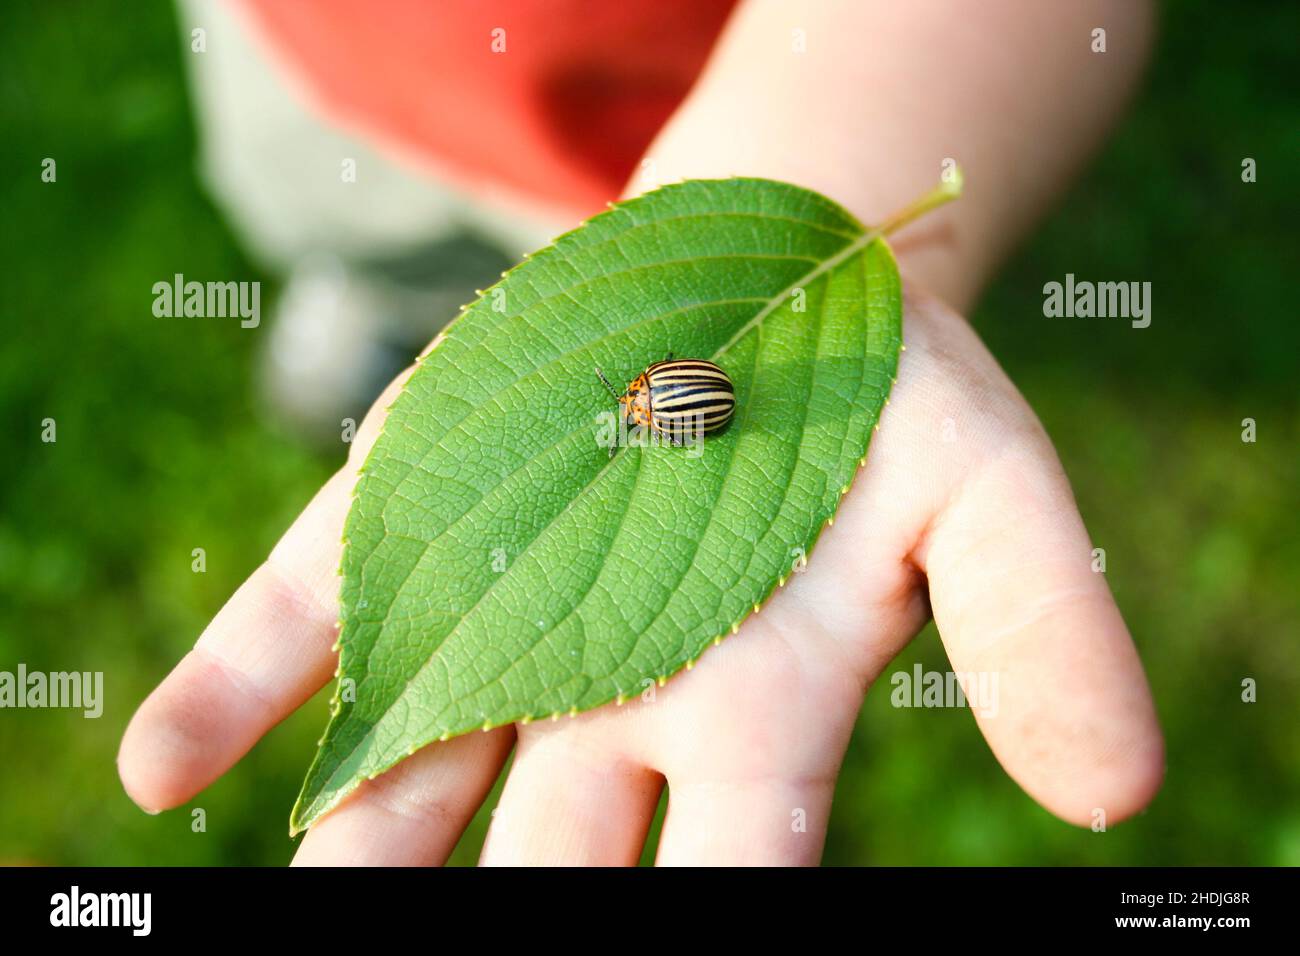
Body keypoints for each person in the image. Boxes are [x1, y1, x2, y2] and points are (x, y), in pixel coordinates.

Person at [120, 0, 1165, 865]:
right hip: (325, 84)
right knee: (330, 206)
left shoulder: (661, 393)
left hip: (696, 127)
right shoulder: (656, 393)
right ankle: (372, 285)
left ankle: (376, 294)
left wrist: (838, 166)